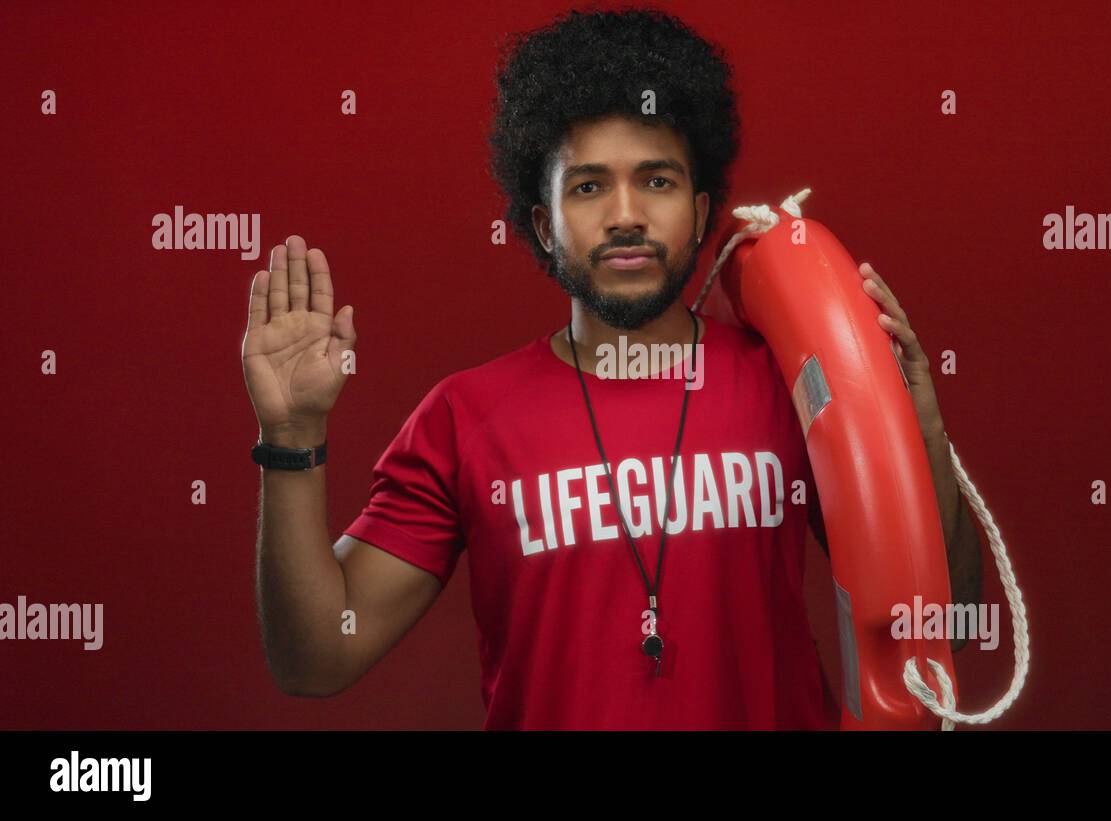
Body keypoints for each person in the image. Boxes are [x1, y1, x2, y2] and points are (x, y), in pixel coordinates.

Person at [242, 7, 982, 730]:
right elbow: (314, 659)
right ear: (543, 223)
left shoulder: (790, 382)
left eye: (656, 181)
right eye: (588, 186)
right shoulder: (463, 418)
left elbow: (940, 615)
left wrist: (922, 433)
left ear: (699, 214)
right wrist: (292, 434)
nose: (626, 214)